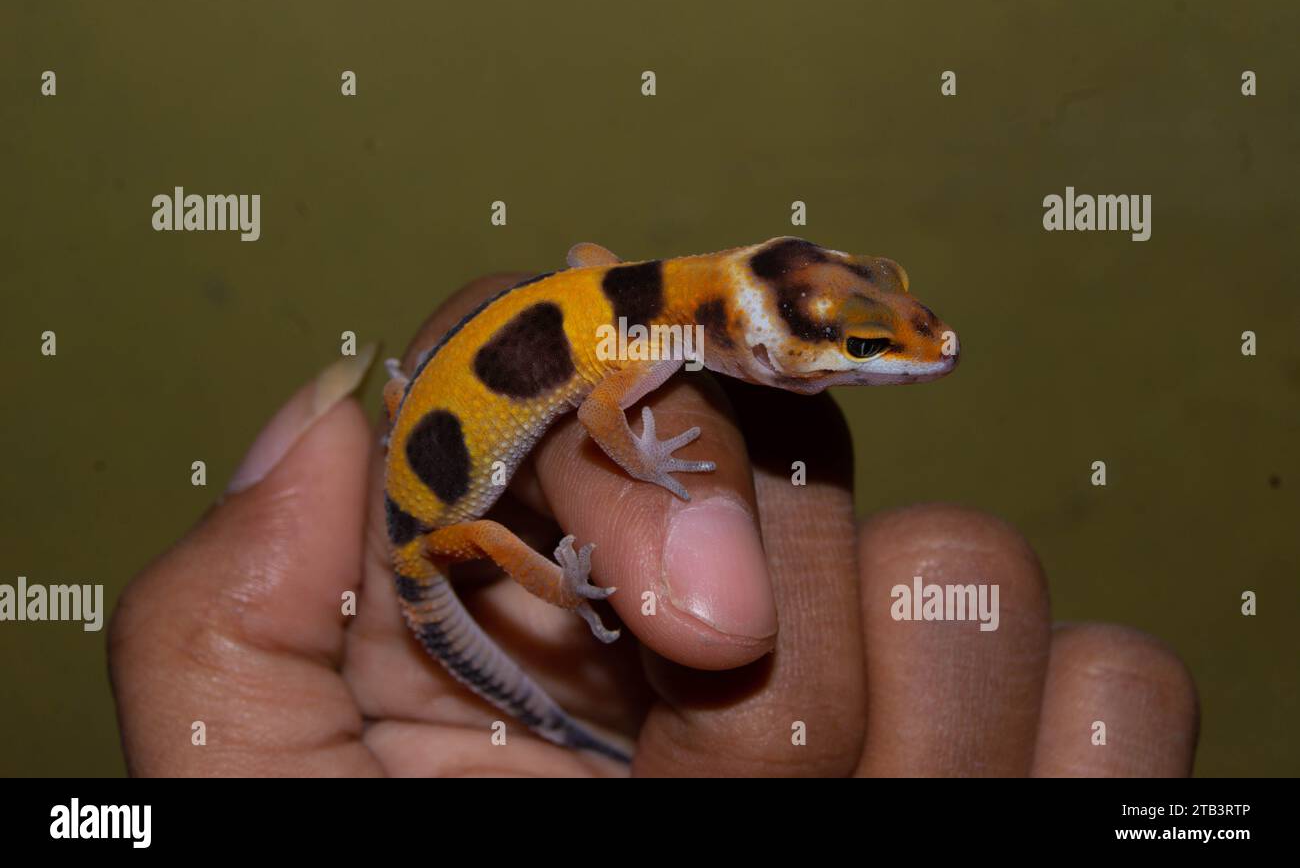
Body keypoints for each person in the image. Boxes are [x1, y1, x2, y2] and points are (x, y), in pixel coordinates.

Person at [108, 275, 1199, 776]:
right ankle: (566, 631)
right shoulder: (661, 343)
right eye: (867, 349)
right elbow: (594, 417)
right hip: (436, 525)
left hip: (432, 434)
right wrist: (576, 574)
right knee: (543, 562)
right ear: (767, 344)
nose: (924, 353)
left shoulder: (669, 316)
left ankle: (577, 723)